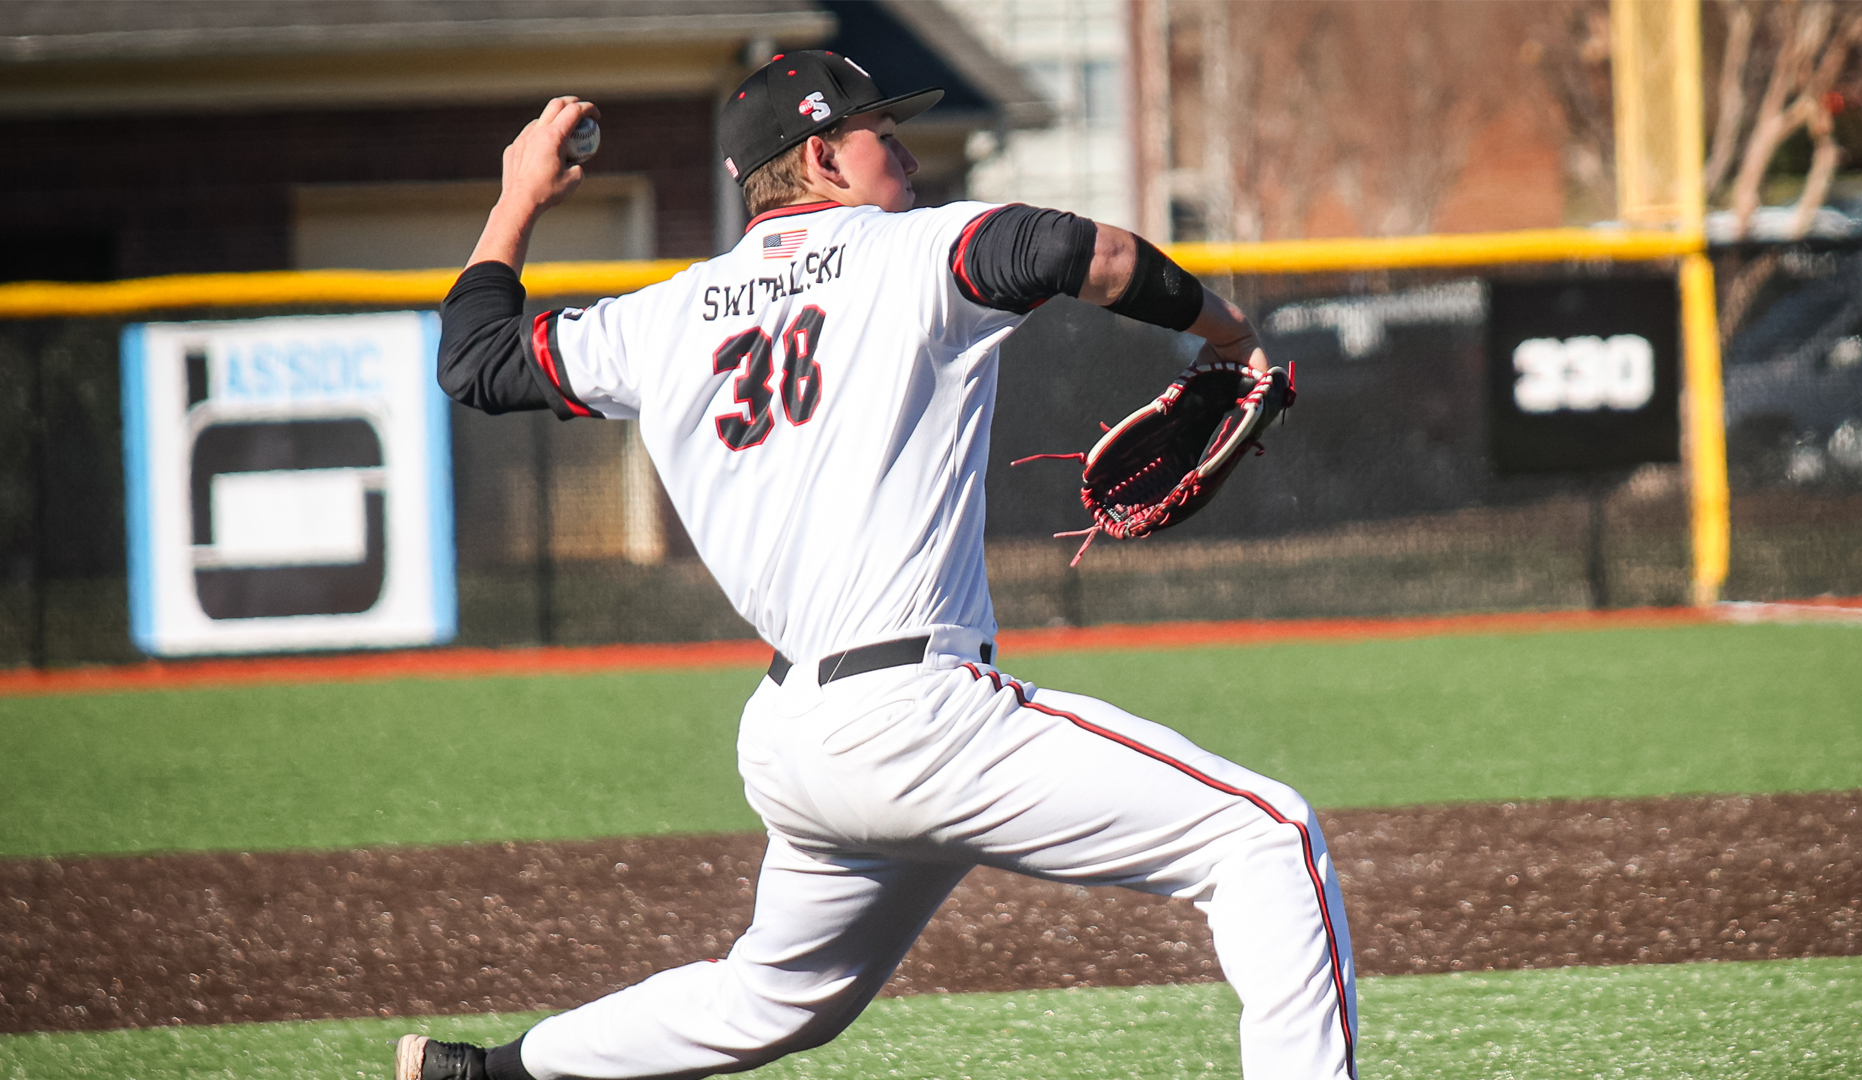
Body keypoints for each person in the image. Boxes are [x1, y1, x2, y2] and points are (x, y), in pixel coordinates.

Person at [406, 51, 1355, 1080]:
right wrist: (1226, 334)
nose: (904, 154)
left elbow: (476, 361)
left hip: (794, 742)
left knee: (772, 1001)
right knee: (1268, 839)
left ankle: (485, 1076)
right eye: (881, 134)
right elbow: (1087, 251)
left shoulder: (662, 317)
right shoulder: (911, 251)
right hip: (920, 719)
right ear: (822, 154)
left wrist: (517, 197)